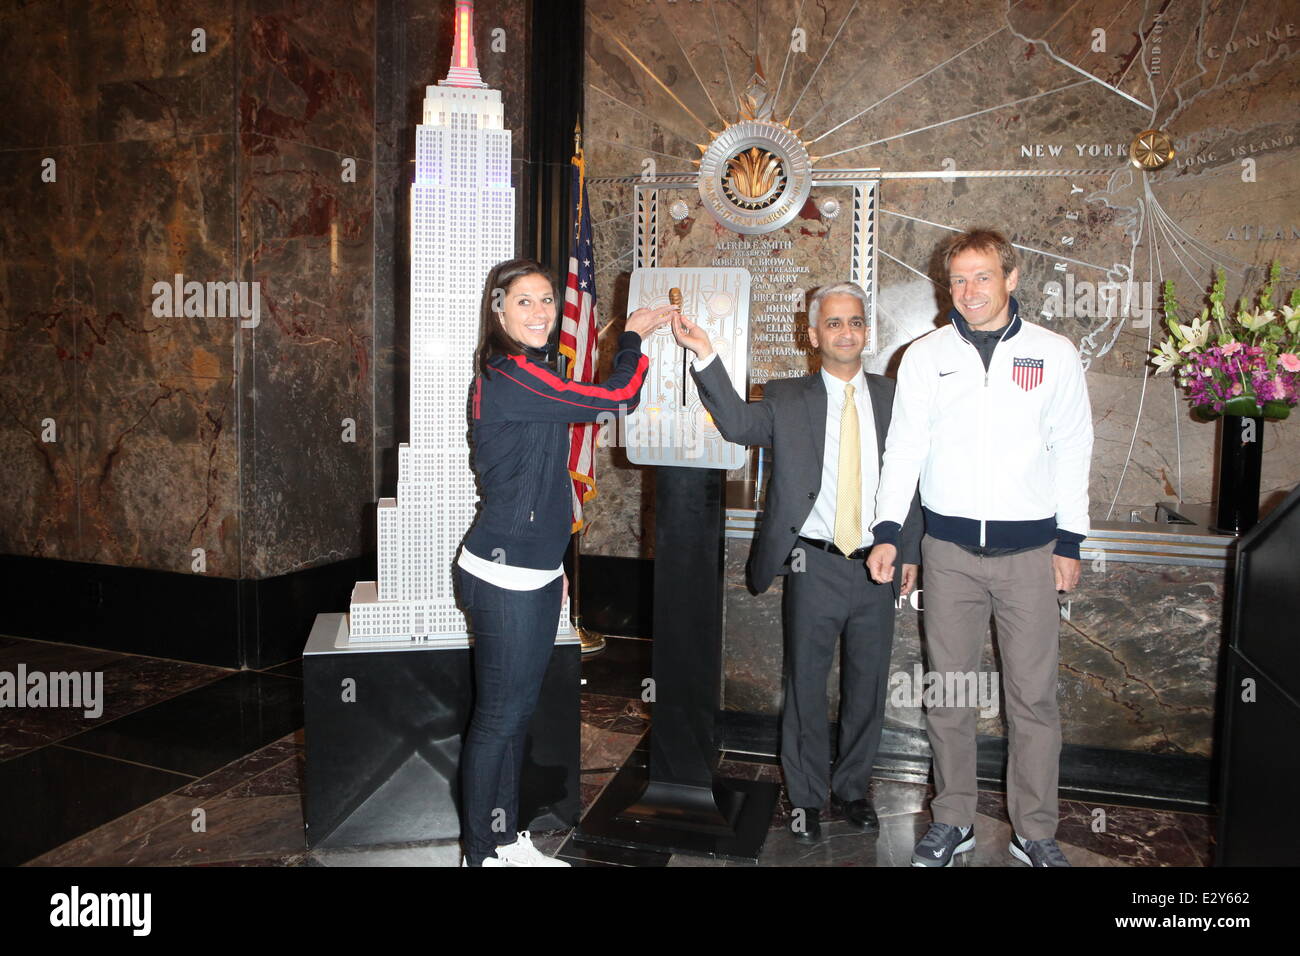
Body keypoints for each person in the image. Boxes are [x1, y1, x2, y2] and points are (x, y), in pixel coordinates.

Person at [867, 229, 1093, 867]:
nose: (969, 291)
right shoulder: (925, 355)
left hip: (1031, 553)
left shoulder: (1054, 353)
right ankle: (955, 819)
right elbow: (904, 450)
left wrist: (1070, 538)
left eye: (982, 276)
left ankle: (1035, 831)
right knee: (951, 691)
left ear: (1011, 278)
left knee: (1033, 697)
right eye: (958, 280)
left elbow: (1073, 447)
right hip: (949, 553)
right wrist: (889, 531)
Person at [672, 282, 922, 843]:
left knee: (868, 685)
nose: (845, 331)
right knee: (806, 685)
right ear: (813, 335)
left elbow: (914, 479)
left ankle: (853, 790)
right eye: (833, 323)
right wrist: (705, 353)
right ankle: (806, 795)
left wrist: (910, 550)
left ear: (867, 331)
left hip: (878, 564)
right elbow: (737, 425)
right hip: (814, 564)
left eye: (855, 321)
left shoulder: (894, 397)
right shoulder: (786, 398)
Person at [456, 258, 676, 866]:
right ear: (498, 311)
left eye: (547, 300)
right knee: (499, 719)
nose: (540, 312)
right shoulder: (513, 375)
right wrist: (632, 337)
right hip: (505, 575)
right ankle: (480, 854)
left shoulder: (529, 374)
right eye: (523, 301)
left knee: (515, 714)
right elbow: (617, 395)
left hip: (532, 570)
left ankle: (503, 843)